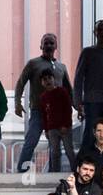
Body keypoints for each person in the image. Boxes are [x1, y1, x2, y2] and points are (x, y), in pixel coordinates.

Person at [15, 33, 72, 172]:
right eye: (46, 43)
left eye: (51, 43)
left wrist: (78, 107)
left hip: (57, 115)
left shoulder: (61, 67)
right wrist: (17, 102)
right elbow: (20, 83)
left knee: (55, 146)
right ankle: (21, 172)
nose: (48, 46)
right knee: (31, 141)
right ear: (41, 46)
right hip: (38, 111)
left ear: (56, 46)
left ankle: (54, 174)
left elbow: (69, 89)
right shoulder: (33, 63)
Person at [73, 20, 103, 149]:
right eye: (100, 30)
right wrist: (78, 102)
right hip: (92, 101)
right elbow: (78, 78)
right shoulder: (87, 52)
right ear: (95, 33)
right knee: (91, 133)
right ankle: (85, 161)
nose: (102, 32)